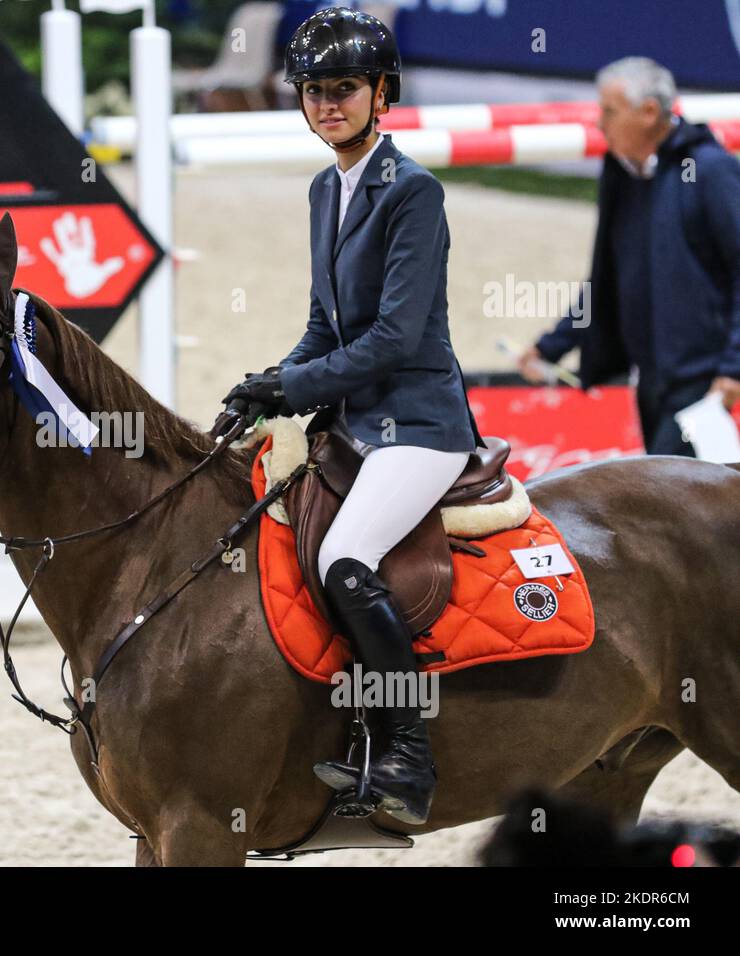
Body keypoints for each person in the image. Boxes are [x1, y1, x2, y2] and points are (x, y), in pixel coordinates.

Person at [221, 7, 484, 825]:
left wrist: (295, 392)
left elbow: (393, 338)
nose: (327, 104)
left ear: (382, 94)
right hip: (356, 421)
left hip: (418, 420)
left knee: (344, 556)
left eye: (344, 89)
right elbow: (324, 325)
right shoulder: (321, 189)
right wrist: (269, 379)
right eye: (313, 91)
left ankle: (407, 755)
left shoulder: (413, 192)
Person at [519, 57, 740, 454]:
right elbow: (608, 280)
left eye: (609, 111)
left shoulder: (711, 172)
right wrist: (552, 345)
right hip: (651, 379)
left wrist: (733, 368)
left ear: (649, 112)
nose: (599, 123)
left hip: (705, 385)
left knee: (672, 505)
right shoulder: (622, 175)